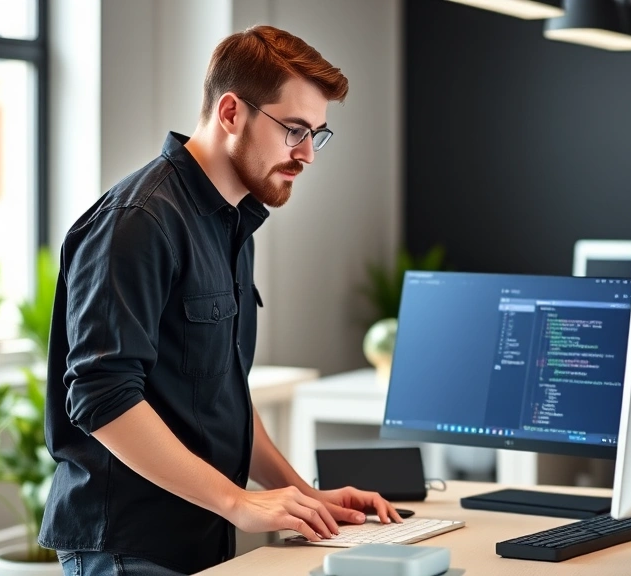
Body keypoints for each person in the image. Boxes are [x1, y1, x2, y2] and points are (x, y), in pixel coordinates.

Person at [39, 25, 401, 576]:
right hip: (127, 549)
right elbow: (101, 397)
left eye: (317, 134)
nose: (307, 154)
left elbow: (219, 394)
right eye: (294, 130)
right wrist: (237, 500)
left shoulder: (233, 223)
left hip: (199, 540)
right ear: (231, 112)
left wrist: (306, 497)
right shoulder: (138, 221)